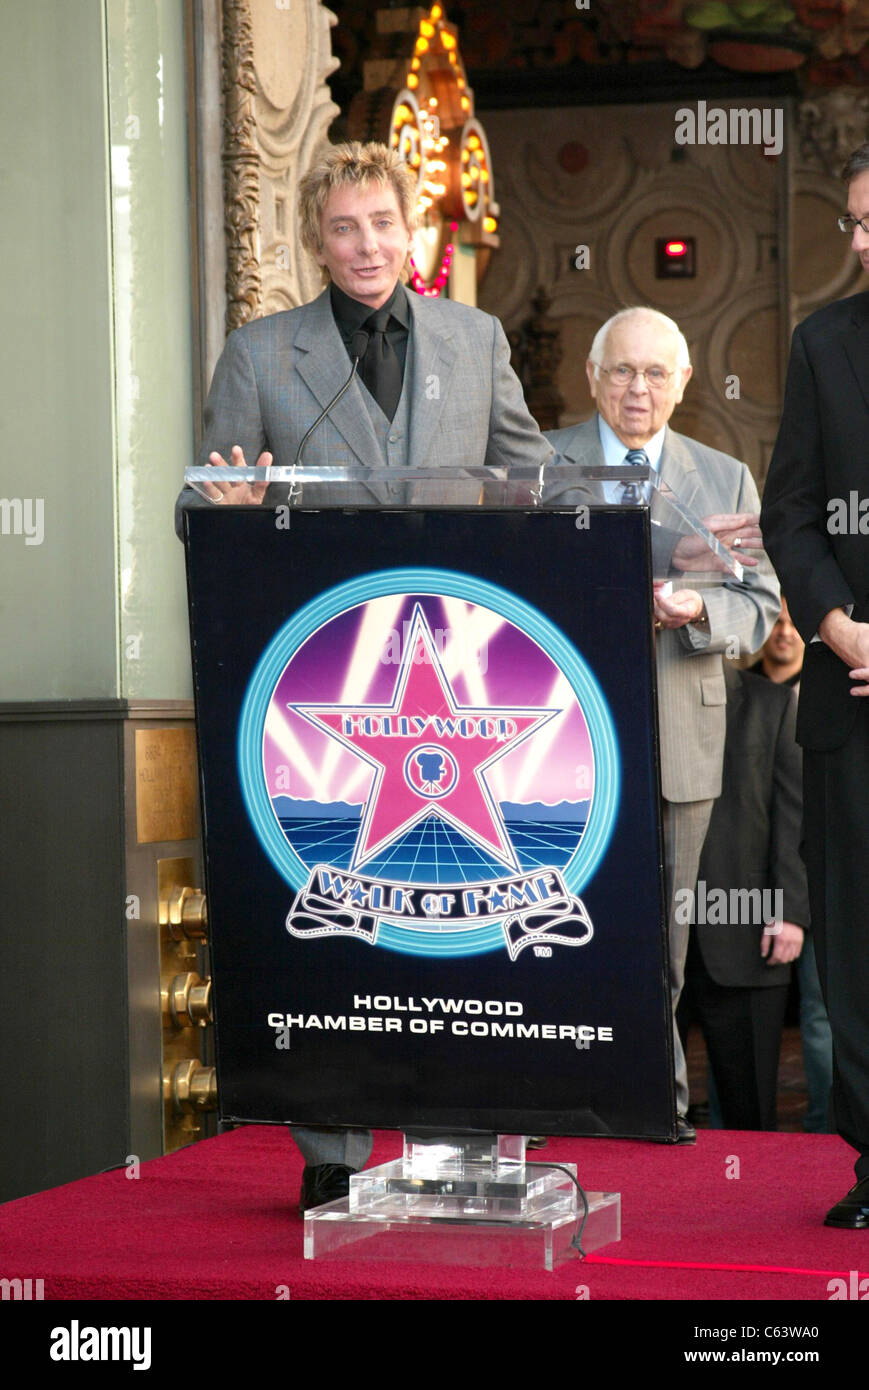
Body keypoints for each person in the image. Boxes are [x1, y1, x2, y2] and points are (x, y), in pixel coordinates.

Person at [177, 141, 553, 1211]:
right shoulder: (259, 355)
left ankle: (454, 1138)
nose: (366, 246)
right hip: (315, 689)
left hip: (459, 681)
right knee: (335, 907)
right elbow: (198, 504)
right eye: (343, 228)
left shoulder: (474, 340)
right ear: (316, 240)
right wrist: (224, 514)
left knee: (448, 907)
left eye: (381, 224)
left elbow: (532, 480)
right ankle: (332, 1150)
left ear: (409, 227)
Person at [546, 307, 780, 1142]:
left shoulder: (723, 479)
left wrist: (693, 608)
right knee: (555, 931)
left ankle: (649, 1106)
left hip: (681, 736)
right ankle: (557, 1103)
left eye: (654, 373)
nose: (636, 388)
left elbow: (759, 609)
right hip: (552, 749)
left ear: (683, 383)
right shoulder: (537, 466)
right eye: (620, 371)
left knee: (662, 945)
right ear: (591, 377)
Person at [760, 142, 869, 1227]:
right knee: (852, 941)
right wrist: (839, 629)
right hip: (848, 704)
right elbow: (789, 510)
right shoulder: (819, 342)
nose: (857, 241)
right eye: (851, 222)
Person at [679, 662, 807, 1131]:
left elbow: (793, 815)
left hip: (748, 926)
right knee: (650, 1106)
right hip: (654, 935)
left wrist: (790, 912)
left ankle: (748, 1194)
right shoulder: (635, 697)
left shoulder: (771, 702)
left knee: (749, 1107)